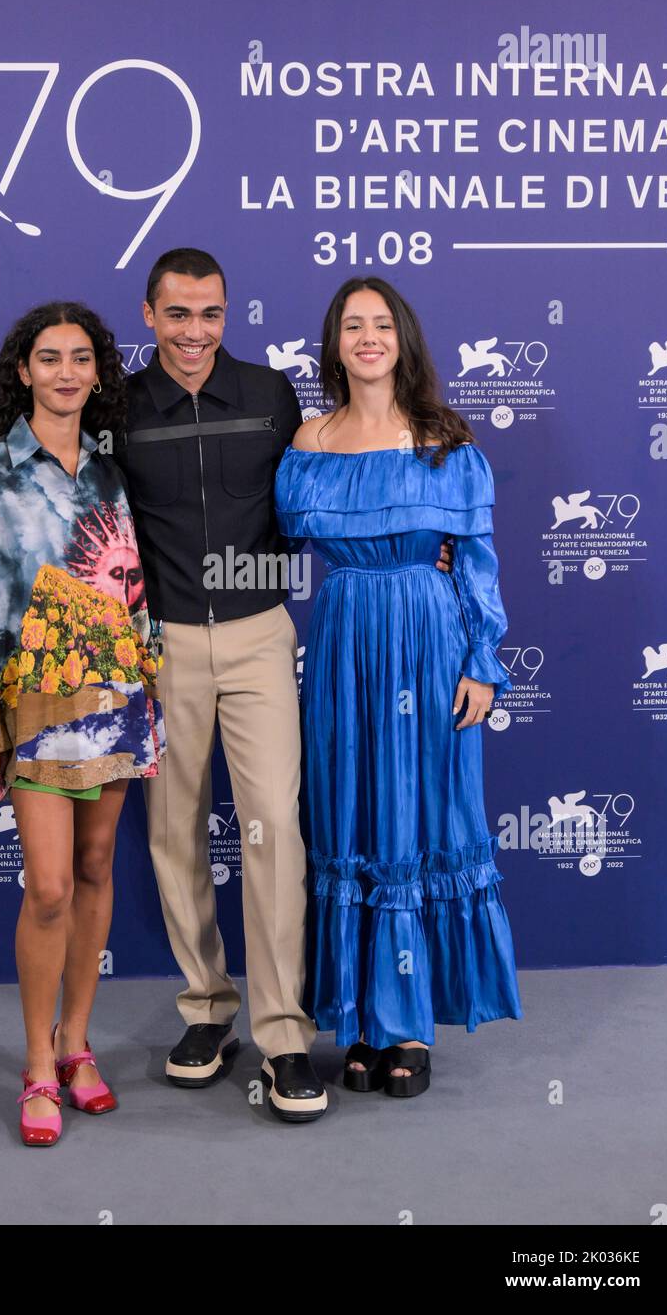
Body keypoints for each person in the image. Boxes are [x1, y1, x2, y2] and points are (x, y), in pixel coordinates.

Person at [116, 249, 452, 1121]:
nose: (196, 332)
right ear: (149, 315)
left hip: (265, 639)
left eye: (211, 314)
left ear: (229, 315)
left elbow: (327, 501)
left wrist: (418, 538)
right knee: (174, 834)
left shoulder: (272, 398)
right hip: (165, 647)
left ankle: (282, 1034)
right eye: (178, 314)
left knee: (275, 832)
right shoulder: (119, 407)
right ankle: (206, 1011)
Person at [274, 276, 523, 1099]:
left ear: (403, 339)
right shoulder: (308, 443)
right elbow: (274, 538)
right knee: (351, 813)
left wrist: (483, 662)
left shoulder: (446, 442)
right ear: (335, 343)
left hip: (428, 642)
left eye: (382, 324)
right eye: (354, 326)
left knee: (419, 816)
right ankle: (359, 1021)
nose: (368, 337)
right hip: (345, 645)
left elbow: (477, 562)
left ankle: (408, 1024)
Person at [0, 302, 165, 1146]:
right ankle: (36, 1062)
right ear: (23, 372)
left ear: (99, 373)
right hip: (28, 704)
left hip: (115, 698)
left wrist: (151, 695)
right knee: (52, 884)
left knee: (99, 865)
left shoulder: (112, 472)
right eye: (48, 358)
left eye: (81, 358)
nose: (65, 372)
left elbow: (136, 593)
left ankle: (77, 1044)